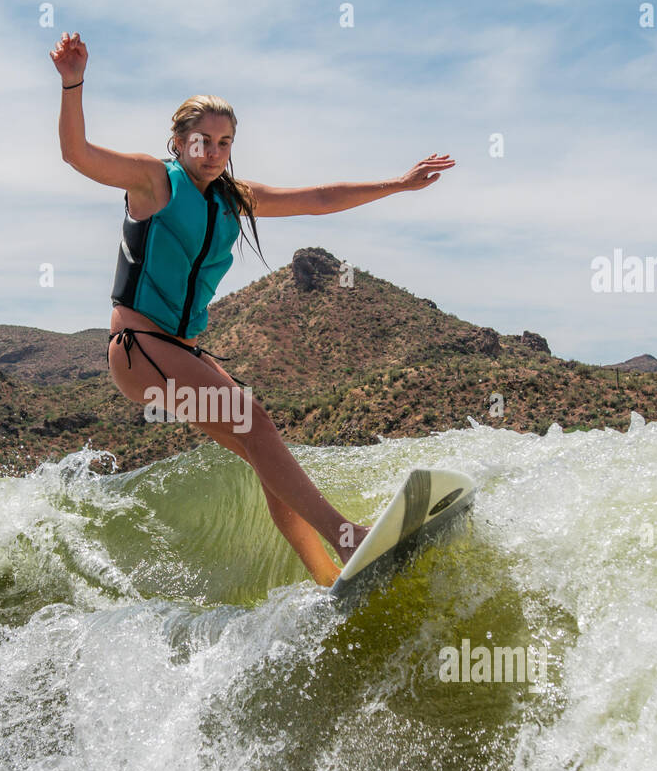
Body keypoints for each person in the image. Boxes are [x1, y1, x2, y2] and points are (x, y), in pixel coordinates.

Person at [51, 31, 455, 587]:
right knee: (254, 418)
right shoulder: (152, 182)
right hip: (139, 349)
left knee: (266, 459)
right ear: (179, 141)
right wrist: (73, 83)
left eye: (224, 142)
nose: (213, 151)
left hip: (181, 352)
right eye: (202, 140)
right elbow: (78, 154)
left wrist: (400, 184)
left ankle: (329, 578)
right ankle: (347, 538)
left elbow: (319, 199)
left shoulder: (232, 198)